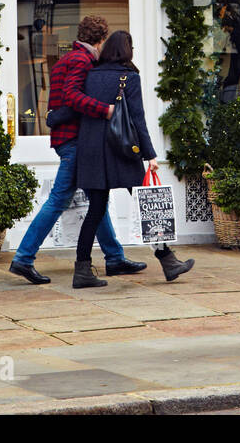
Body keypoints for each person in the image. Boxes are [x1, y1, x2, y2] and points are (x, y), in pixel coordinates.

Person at [9, 15, 148, 284]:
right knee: (60, 199)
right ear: (100, 38)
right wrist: (105, 110)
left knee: (98, 200)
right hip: (74, 140)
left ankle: (114, 257)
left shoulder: (70, 58)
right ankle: (23, 258)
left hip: (69, 138)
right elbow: (73, 96)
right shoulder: (81, 61)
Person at [71, 30, 195, 289]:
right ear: (127, 50)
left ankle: (81, 270)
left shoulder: (90, 75)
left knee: (95, 211)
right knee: (147, 205)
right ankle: (168, 261)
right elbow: (137, 119)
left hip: (92, 150)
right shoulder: (129, 77)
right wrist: (150, 155)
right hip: (122, 151)